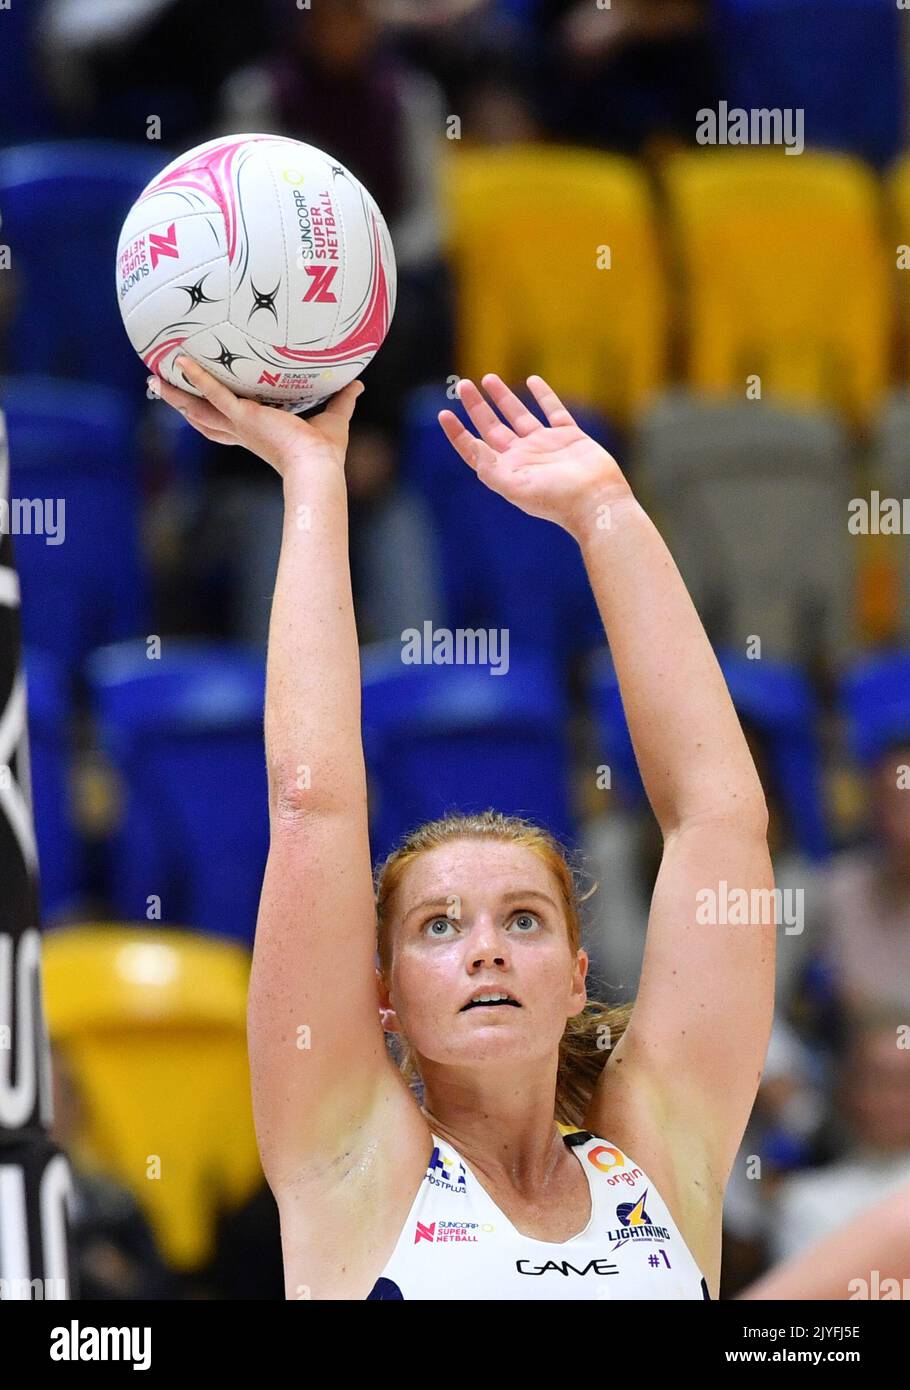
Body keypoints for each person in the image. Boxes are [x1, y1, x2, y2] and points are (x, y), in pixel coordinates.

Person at [149, 353, 775, 1300]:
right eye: (439, 927)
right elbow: (312, 805)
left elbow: (718, 820)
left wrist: (607, 514)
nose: (485, 950)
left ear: (574, 978)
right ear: (384, 994)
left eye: (523, 920)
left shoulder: (658, 1160)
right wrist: (314, 480)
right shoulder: (352, 1161)